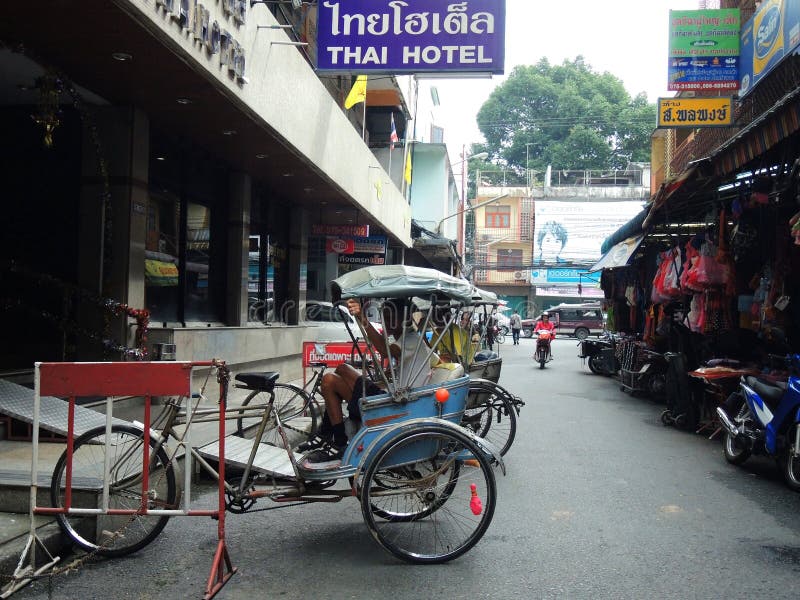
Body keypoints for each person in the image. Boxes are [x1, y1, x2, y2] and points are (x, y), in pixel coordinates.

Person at [301, 298, 438, 462]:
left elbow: (383, 350)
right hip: (395, 395)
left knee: (332, 378)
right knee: (334, 376)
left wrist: (362, 318)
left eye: (389, 318)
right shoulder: (407, 339)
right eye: (383, 318)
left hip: (397, 403)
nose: (385, 323)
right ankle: (331, 436)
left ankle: (333, 438)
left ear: (404, 319)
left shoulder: (411, 339)